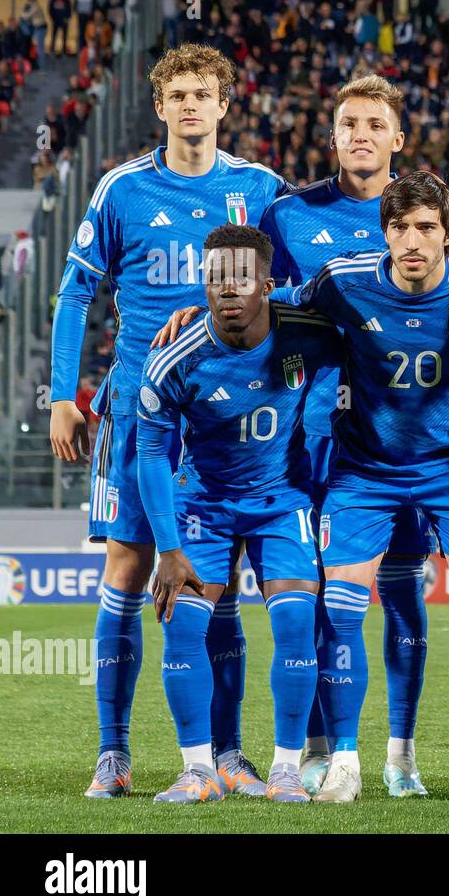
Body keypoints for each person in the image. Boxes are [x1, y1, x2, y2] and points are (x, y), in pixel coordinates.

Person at [49, 43, 289, 801]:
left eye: (203, 94)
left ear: (224, 105)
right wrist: (63, 394)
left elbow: (295, 293)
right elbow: (73, 294)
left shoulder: (260, 189)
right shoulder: (122, 189)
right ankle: (113, 753)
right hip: (138, 408)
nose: (190, 105)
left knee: (216, 581)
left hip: (230, 415)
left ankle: (228, 753)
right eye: (177, 94)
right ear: (159, 106)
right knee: (125, 570)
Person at [255, 75, 445, 800]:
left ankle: (400, 753)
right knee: (317, 598)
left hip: (403, 440)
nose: (360, 134)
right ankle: (321, 748)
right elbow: (259, 306)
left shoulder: (424, 214)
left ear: (398, 137)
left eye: (375, 124)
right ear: (331, 137)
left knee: (401, 595)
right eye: (348, 124)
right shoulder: (289, 215)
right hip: (310, 437)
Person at [137, 225, 334, 804]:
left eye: (241, 277)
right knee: (185, 624)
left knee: (297, 624)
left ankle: (287, 771)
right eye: (216, 276)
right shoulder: (175, 357)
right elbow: (151, 454)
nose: (227, 288)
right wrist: (169, 550)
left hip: (283, 500)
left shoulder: (307, 332)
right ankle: (199, 771)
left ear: (268, 286)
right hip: (205, 504)